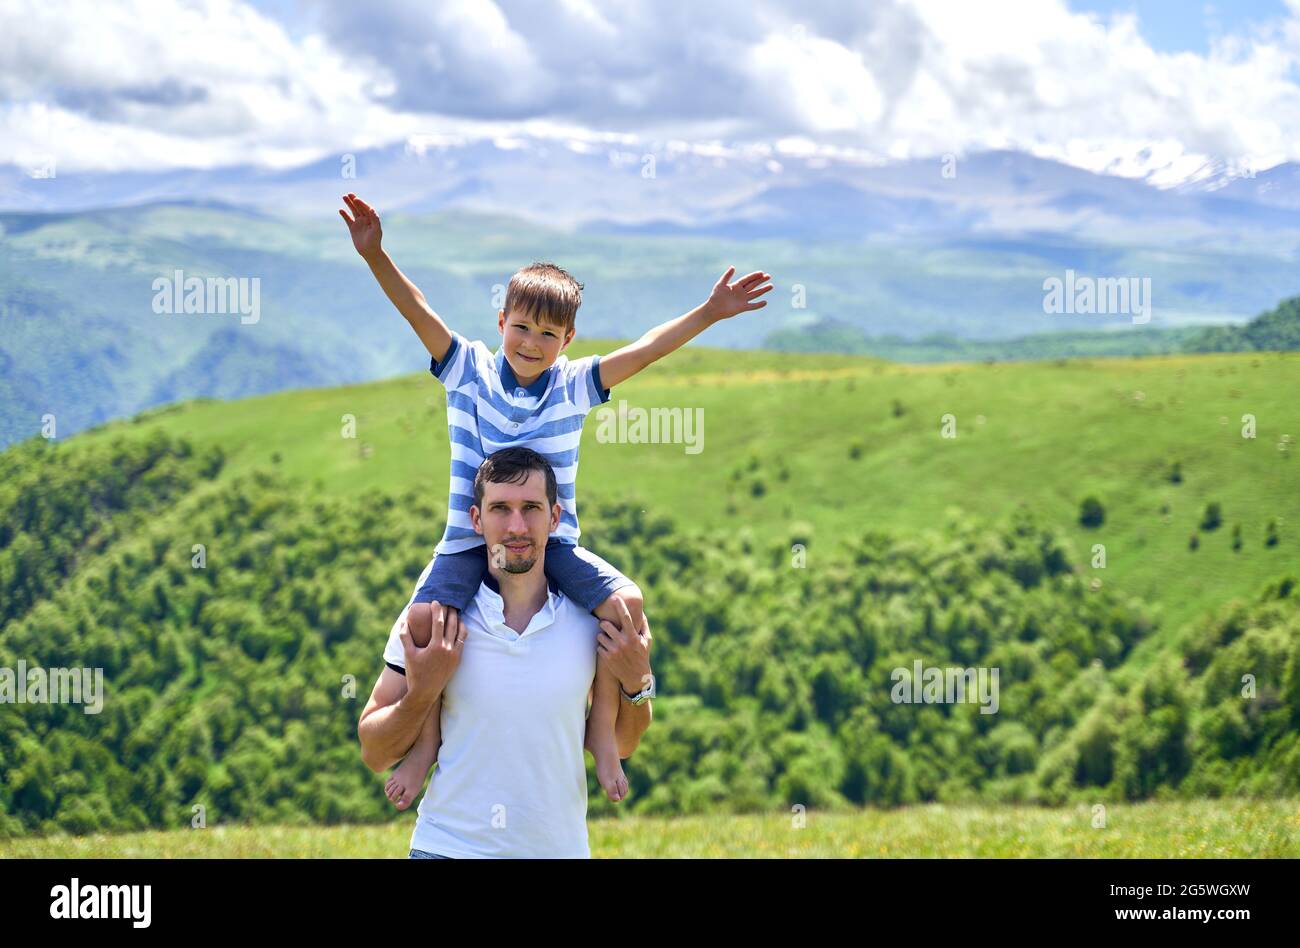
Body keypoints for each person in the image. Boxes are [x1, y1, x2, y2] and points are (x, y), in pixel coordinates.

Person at [339, 191, 770, 804]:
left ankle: (601, 738)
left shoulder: (573, 386)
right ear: (500, 325)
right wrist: (376, 256)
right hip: (467, 543)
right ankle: (426, 746)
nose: (531, 343)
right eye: (520, 327)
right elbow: (418, 309)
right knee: (424, 627)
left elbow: (645, 350)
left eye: (548, 332)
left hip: (553, 545)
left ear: (568, 338)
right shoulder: (467, 371)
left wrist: (708, 311)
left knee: (627, 605)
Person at [357, 448, 654, 858]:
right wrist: (421, 694)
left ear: (555, 517)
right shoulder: (440, 613)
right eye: (500, 508)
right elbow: (374, 752)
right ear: (476, 519)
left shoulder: (593, 616)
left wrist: (640, 682)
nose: (517, 526)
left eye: (531, 508)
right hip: (446, 848)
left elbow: (622, 743)